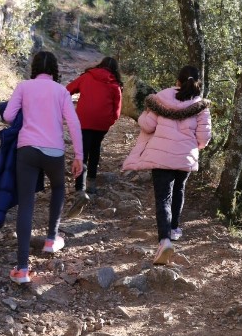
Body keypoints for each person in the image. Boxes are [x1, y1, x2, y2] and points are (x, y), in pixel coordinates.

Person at [2, 51, 83, 283]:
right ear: (54, 70)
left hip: (26, 150)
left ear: (34, 67)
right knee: (58, 187)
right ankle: (51, 239)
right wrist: (79, 156)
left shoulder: (24, 86)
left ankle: (22, 269)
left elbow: (8, 116)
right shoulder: (62, 91)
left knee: (26, 203)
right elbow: (74, 124)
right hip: (54, 152)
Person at [122, 66, 211, 264]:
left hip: (161, 156)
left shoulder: (160, 98)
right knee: (179, 190)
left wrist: (145, 113)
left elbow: (147, 126)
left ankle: (165, 240)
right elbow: (204, 138)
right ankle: (174, 227)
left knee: (163, 197)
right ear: (197, 81)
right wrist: (195, 146)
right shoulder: (200, 106)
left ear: (177, 81)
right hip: (185, 157)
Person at [66, 57, 123, 197]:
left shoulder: (86, 77)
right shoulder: (115, 85)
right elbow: (117, 110)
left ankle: (80, 187)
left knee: (83, 151)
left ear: (100, 64)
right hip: (102, 123)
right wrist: (110, 121)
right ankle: (91, 183)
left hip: (83, 120)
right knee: (95, 148)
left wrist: (69, 110)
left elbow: (67, 90)